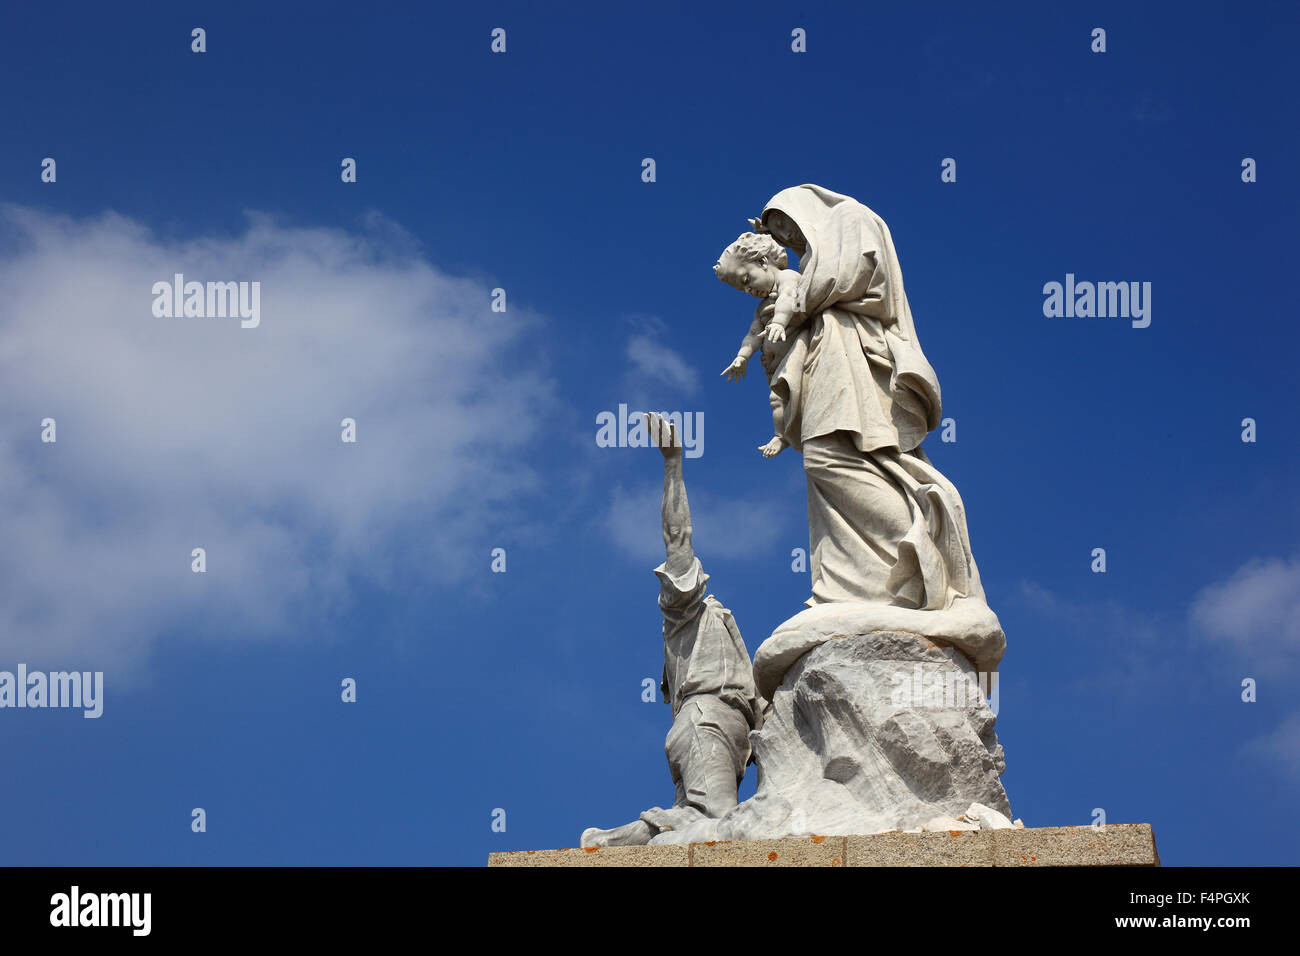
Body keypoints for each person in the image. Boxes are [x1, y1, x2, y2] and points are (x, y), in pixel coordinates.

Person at [753, 184, 993, 614]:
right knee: (829, 458)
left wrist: (790, 303)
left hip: (853, 351)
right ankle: (859, 584)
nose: (787, 239)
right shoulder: (812, 255)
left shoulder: (849, 217)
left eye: (785, 225)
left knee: (829, 454)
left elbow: (847, 277)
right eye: (778, 234)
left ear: (802, 208)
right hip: (831, 349)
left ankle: (916, 545)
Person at [580, 413, 759, 847]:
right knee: (715, 825)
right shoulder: (683, 611)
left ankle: (611, 841)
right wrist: (673, 464)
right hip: (706, 719)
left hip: (722, 731)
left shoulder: (711, 615)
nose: (694, 578)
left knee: (693, 818)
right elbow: (678, 537)